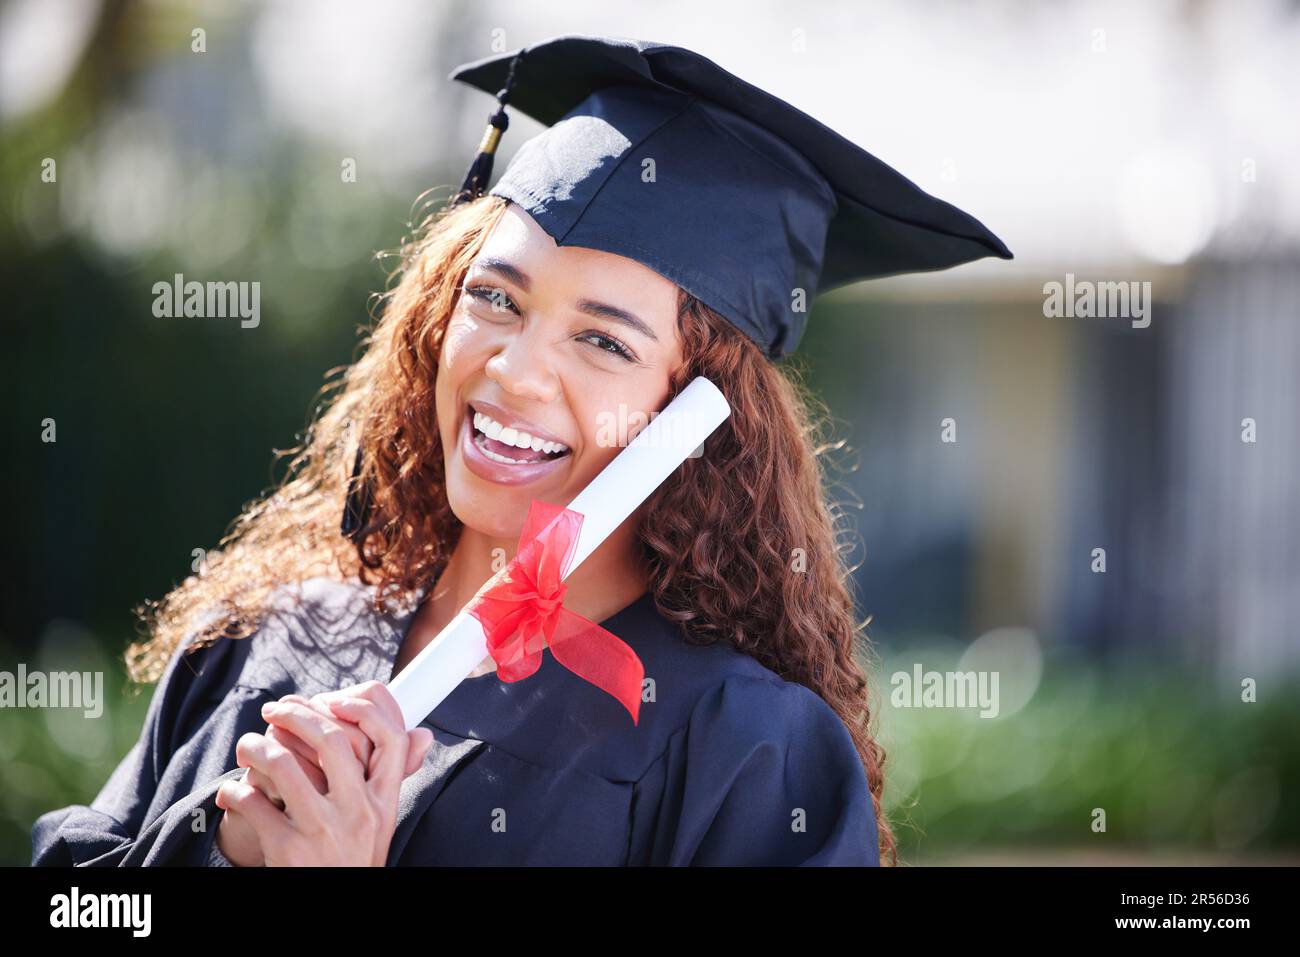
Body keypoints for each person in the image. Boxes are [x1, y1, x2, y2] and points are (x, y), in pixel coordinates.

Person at [31, 35, 1010, 867]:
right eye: (494, 299)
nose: (514, 371)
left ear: (698, 424)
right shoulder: (262, 653)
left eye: (604, 341)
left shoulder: (745, 755)